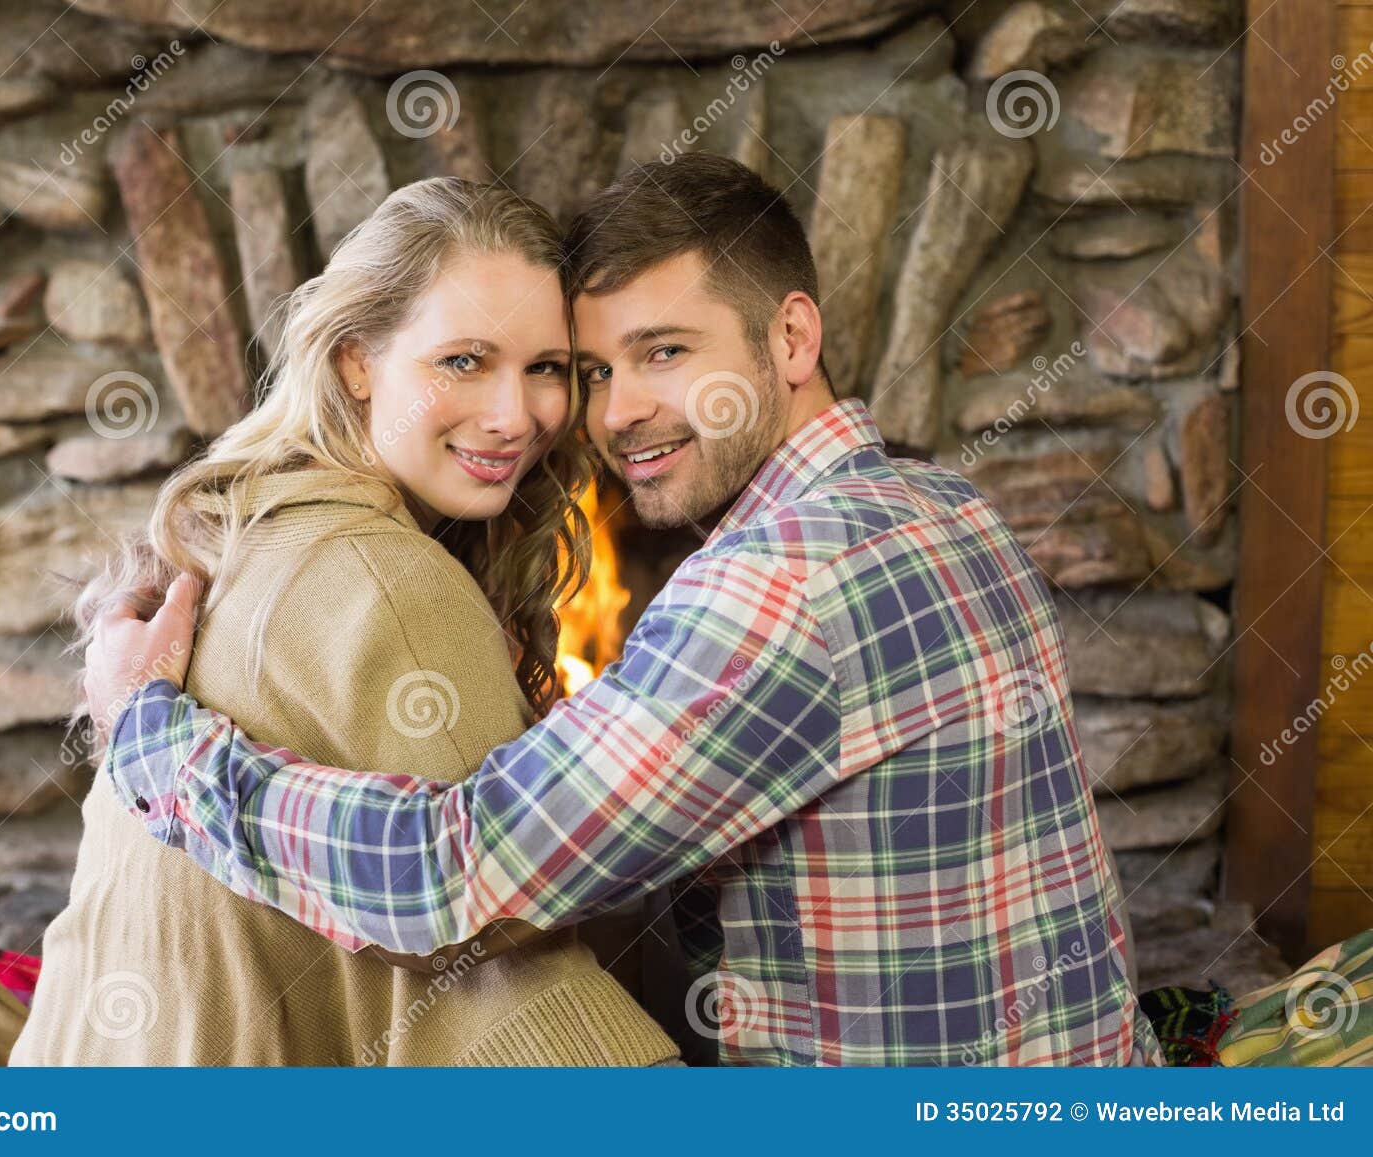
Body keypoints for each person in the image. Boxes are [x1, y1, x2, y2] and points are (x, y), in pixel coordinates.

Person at [89, 153, 1161, 1067]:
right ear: (356, 365)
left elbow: (451, 874)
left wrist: (153, 740)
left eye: (665, 351)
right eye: (593, 369)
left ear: (791, 340)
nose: (616, 413)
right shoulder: (940, 504)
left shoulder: (783, 578)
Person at [0, 178, 681, 1067]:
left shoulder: (255, 524)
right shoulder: (385, 575)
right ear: (358, 360)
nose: (515, 416)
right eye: (464, 361)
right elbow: (505, 903)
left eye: (545, 367)